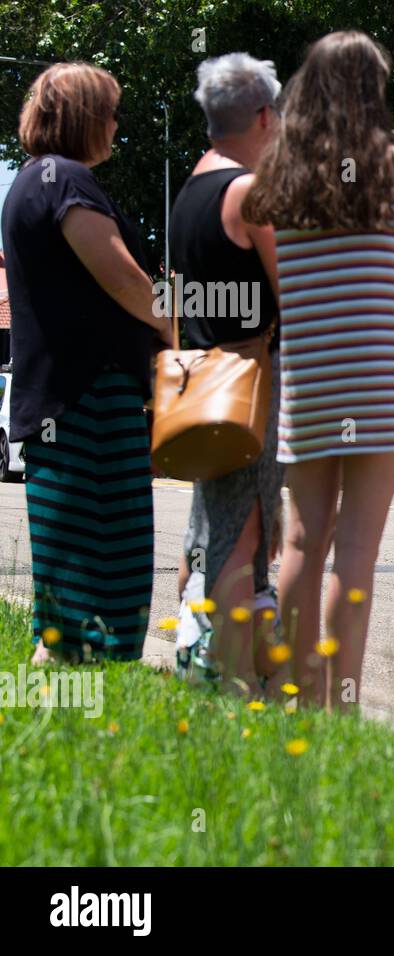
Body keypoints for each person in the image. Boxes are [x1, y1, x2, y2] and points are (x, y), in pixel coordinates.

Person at [242, 30, 394, 709]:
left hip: (311, 376)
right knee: (355, 550)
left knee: (301, 538)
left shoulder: (277, 173)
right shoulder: (390, 165)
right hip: (379, 376)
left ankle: (294, 692)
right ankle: (341, 704)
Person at [2, 62, 169, 664]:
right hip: (85, 398)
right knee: (97, 561)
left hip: (72, 396)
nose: (117, 125)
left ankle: (73, 691)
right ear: (84, 117)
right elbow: (122, 276)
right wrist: (174, 327)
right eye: (111, 112)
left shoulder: (38, 179)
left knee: (78, 563)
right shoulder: (63, 178)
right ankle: (73, 690)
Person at [169, 53, 285, 688]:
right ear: (264, 116)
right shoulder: (245, 192)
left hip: (206, 384)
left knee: (210, 525)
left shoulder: (191, 188)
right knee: (245, 534)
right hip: (249, 385)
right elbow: (296, 290)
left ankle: (219, 656)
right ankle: (214, 671)